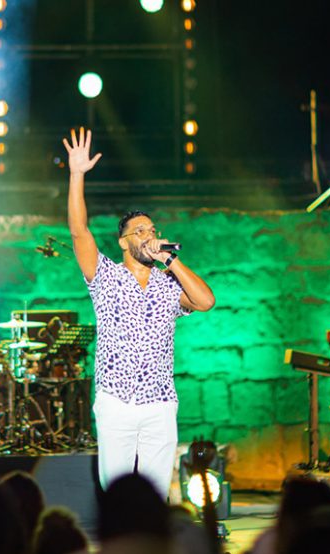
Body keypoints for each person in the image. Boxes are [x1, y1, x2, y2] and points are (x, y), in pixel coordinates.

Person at [63, 127, 215, 498]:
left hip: (159, 403)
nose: (148, 234)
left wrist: (171, 260)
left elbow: (206, 301)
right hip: (116, 400)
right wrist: (77, 174)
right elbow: (79, 230)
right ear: (123, 242)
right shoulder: (106, 276)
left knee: (155, 493)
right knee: (115, 491)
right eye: (139, 230)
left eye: (152, 229)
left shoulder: (168, 284)